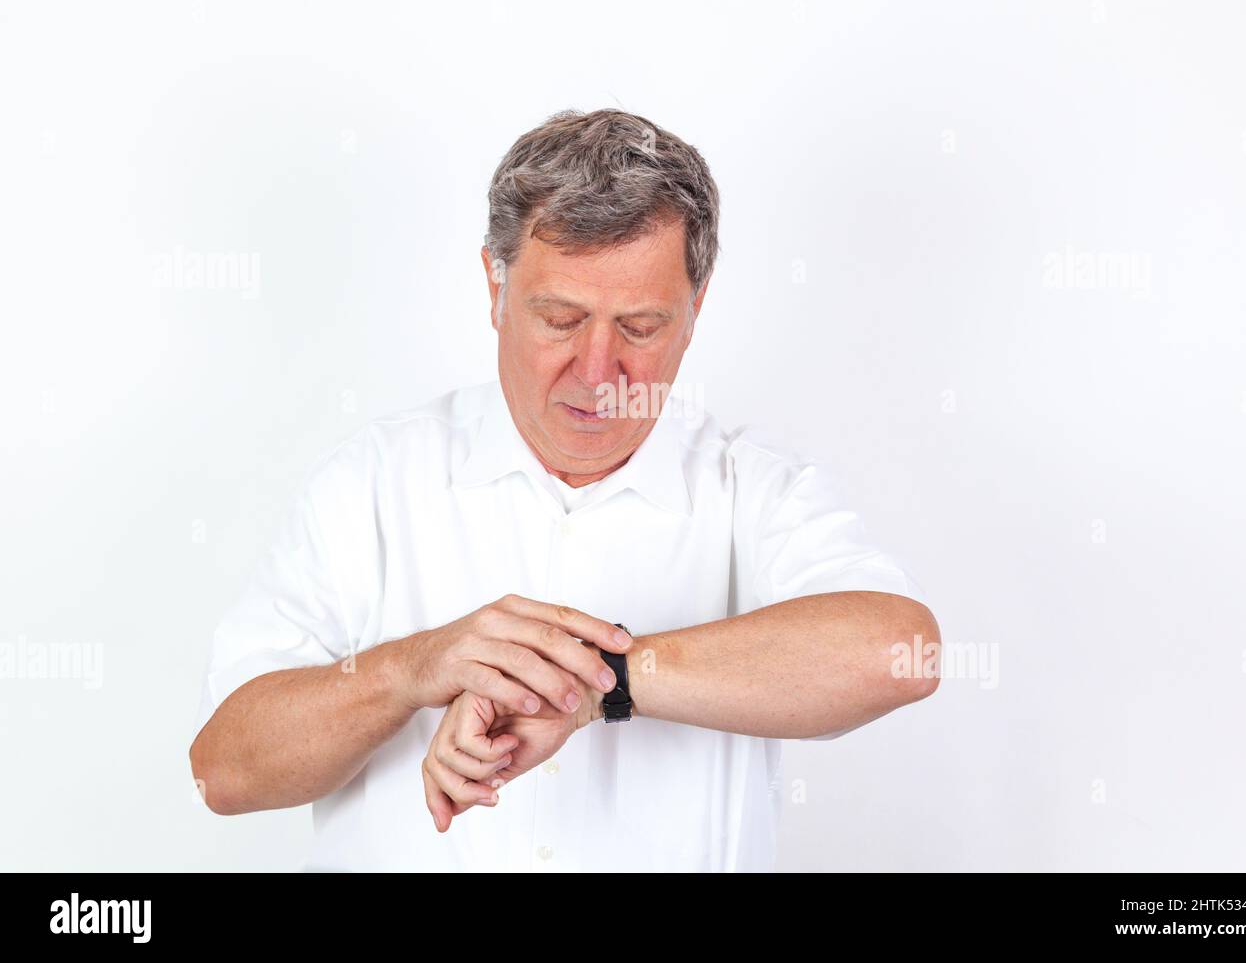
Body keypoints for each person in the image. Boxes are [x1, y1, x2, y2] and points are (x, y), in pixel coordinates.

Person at [189, 108, 941, 872]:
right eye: (560, 318)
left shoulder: (756, 490)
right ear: (495, 285)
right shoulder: (371, 483)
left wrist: (606, 682)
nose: (596, 372)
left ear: (697, 309)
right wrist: (412, 669)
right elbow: (224, 770)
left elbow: (898, 654)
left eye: (641, 327)